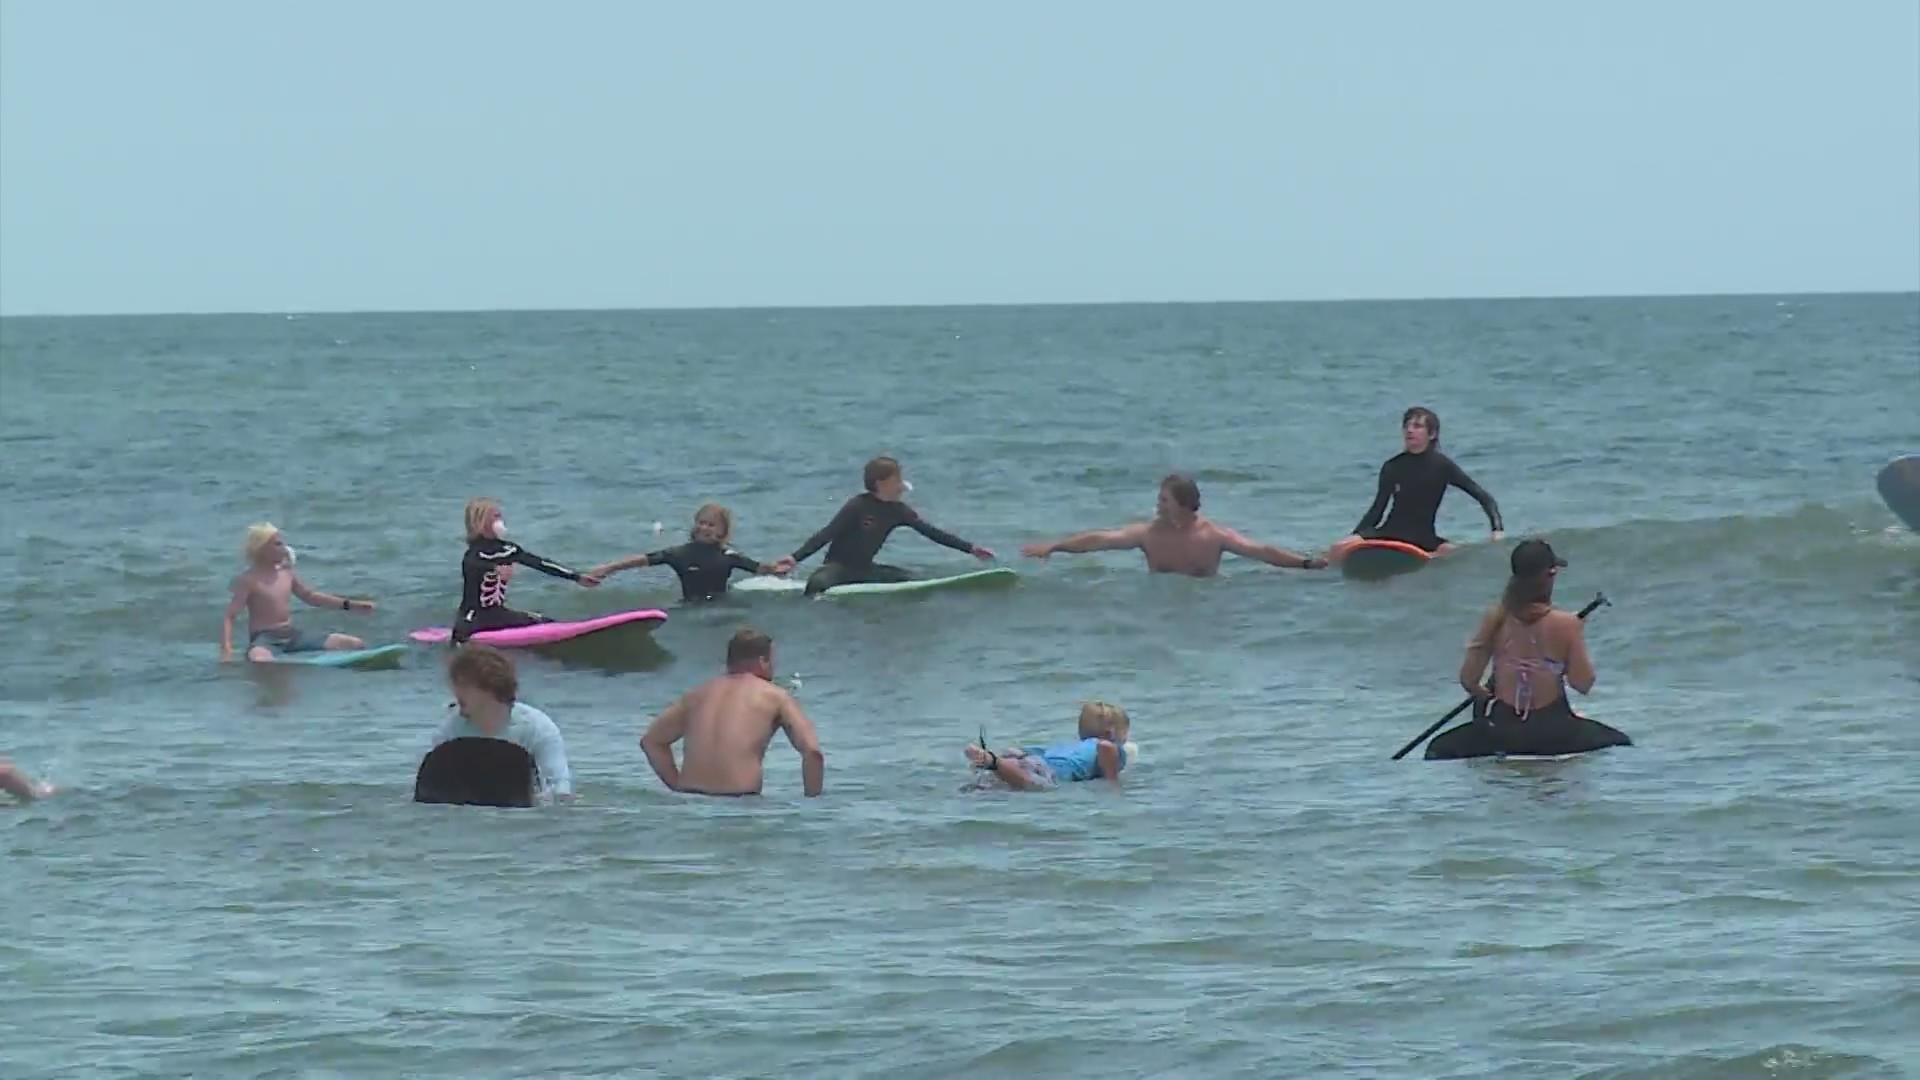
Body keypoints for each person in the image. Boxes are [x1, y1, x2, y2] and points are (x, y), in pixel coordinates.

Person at [1424, 539, 1632, 759]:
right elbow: (1583, 683)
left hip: (1503, 732)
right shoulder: (1567, 623)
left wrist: (1489, 694)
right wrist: (1564, 655)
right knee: (1621, 744)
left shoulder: (1495, 618)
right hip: (1554, 733)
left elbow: (1468, 680)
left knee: (1438, 748)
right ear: (1551, 575)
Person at [1020, 473, 1327, 575]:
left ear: (1183, 506)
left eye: (1164, 501)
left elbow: (1261, 552)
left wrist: (1306, 564)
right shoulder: (1149, 534)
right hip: (1160, 612)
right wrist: (1056, 546)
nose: (1157, 506)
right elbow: (1099, 540)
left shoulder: (1213, 536)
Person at [639, 628, 824, 797]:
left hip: (691, 801)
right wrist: (812, 805)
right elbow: (813, 752)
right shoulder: (775, 696)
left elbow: (651, 741)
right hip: (739, 804)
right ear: (762, 661)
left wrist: (677, 786)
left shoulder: (697, 694)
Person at [788, 456, 994, 596]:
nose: (901, 485)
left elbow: (932, 532)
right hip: (838, 568)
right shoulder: (858, 506)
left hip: (865, 569)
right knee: (816, 584)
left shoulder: (898, 510)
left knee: (911, 581)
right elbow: (826, 534)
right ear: (881, 483)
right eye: (897, 479)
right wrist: (795, 558)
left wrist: (970, 548)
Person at [1327, 407, 1504, 564]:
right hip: (1389, 532)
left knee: (1453, 555)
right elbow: (1377, 509)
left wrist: (1497, 530)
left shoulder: (1442, 466)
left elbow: (1483, 497)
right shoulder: (1392, 466)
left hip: (1423, 537)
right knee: (1337, 548)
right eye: (1407, 426)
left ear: (1432, 434)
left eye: (1417, 426)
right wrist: (1356, 535)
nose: (1409, 430)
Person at [431, 644, 575, 801]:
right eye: (455, 684)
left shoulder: (537, 728)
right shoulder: (449, 732)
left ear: (490, 687)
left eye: (464, 685)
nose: (456, 691)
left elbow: (560, 789)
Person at [453, 497, 600, 645]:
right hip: (473, 617)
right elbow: (472, 566)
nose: (501, 521)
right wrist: (493, 569)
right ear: (481, 522)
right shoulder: (474, 554)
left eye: (500, 516)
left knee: (545, 621)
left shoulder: (508, 549)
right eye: (496, 516)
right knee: (459, 638)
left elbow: (540, 563)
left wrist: (576, 577)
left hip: (498, 614)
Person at [221, 522, 376, 662]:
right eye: (278, 544)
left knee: (354, 644)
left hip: (292, 635)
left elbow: (311, 597)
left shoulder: (287, 574)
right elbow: (230, 616)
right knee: (260, 661)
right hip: (264, 639)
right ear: (261, 549)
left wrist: (351, 605)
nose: (284, 549)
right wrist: (226, 648)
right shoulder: (248, 580)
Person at [587, 504, 796, 602]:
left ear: (722, 532)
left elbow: (759, 567)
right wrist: (608, 568)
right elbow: (643, 560)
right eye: (701, 523)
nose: (704, 528)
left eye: (711, 525)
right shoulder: (680, 554)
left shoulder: (729, 556)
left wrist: (778, 568)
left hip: (723, 607)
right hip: (690, 608)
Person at [965, 701, 1132, 791]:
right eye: (1125, 732)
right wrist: (1112, 781)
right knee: (1033, 785)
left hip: (1035, 759)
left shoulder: (1070, 746)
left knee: (998, 783)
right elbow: (1106, 747)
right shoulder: (1113, 748)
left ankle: (995, 764)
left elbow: (1028, 751)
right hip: (1051, 770)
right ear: (1111, 733)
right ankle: (994, 762)